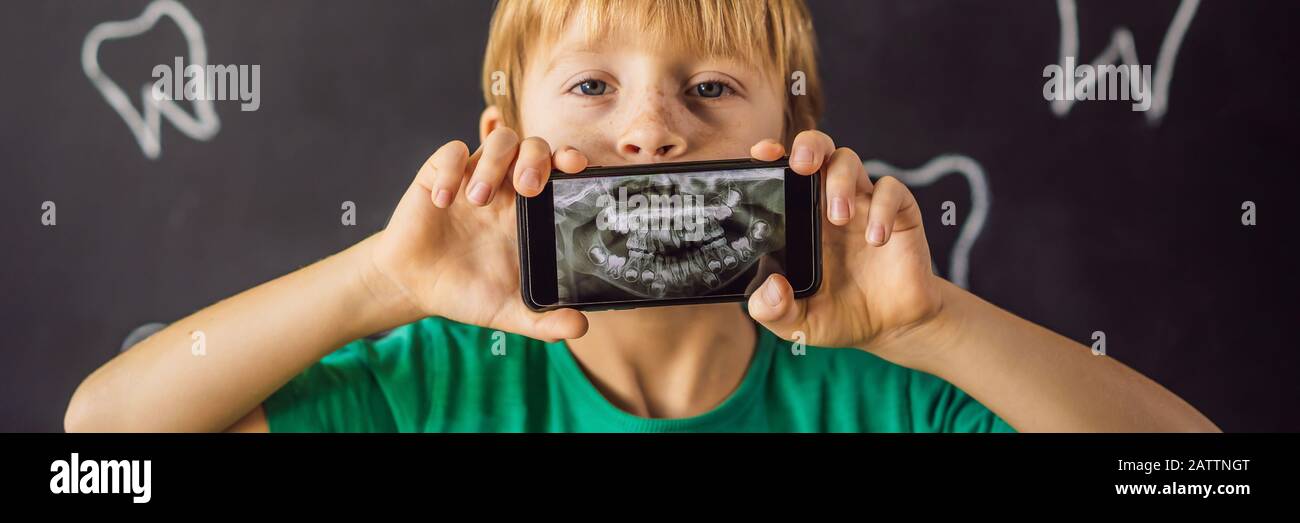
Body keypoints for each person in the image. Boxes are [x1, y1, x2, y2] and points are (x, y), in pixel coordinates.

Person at [65, 0, 1219, 433]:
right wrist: (380, 281)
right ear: (509, 130)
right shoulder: (424, 387)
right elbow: (99, 451)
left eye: (711, 89)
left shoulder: (893, 391)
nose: (653, 132)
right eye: (591, 88)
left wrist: (931, 324)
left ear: (793, 128)